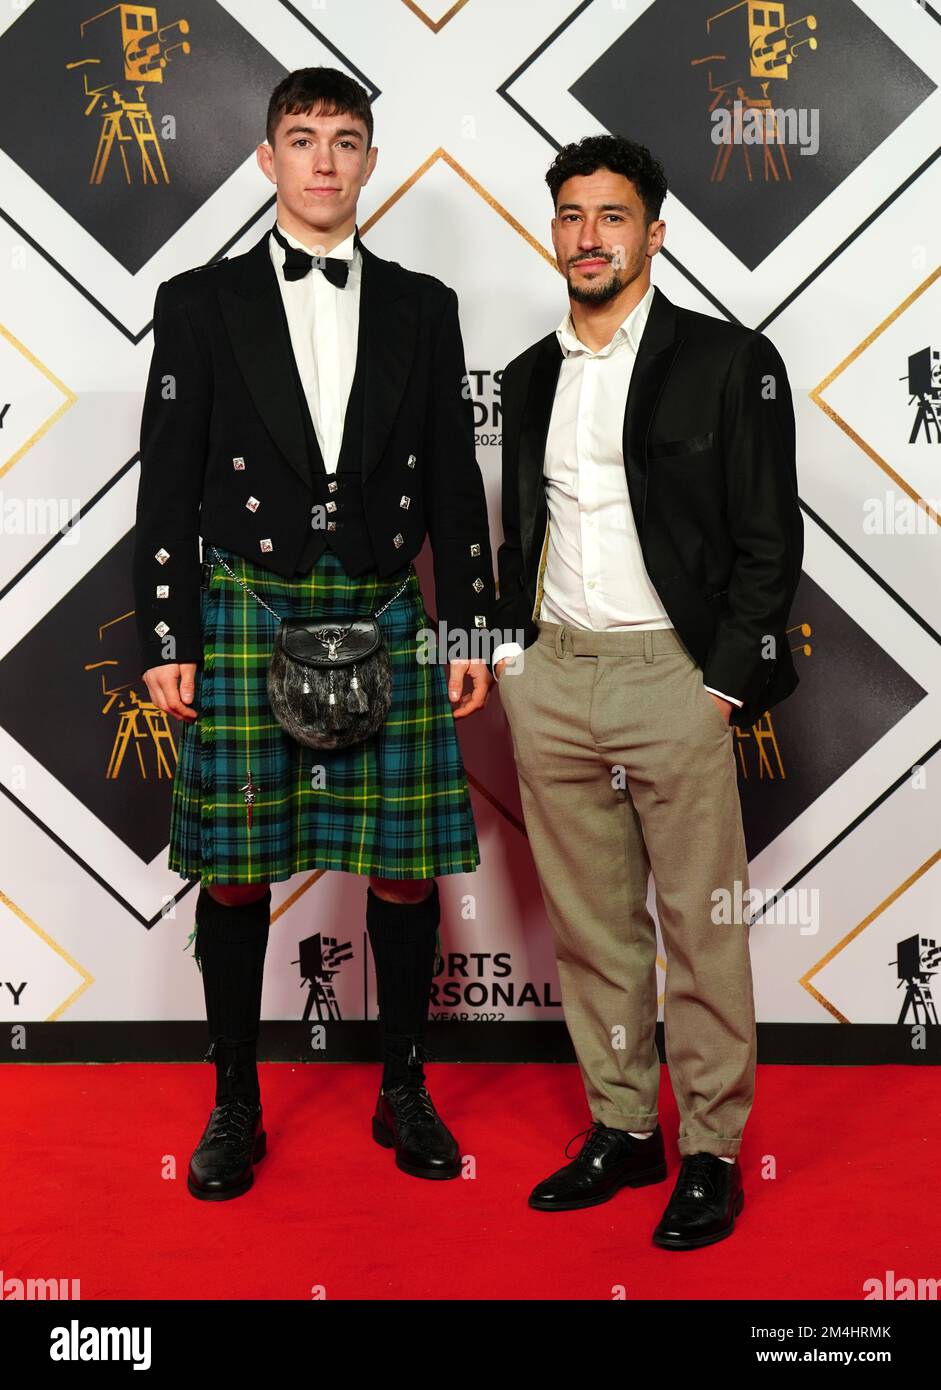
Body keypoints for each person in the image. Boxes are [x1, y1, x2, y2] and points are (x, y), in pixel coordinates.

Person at [133, 67, 495, 1200]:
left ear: (370, 160)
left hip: (389, 607)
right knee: (235, 874)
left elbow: (454, 485)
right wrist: (165, 632)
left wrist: (470, 631)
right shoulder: (199, 300)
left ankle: (401, 1083)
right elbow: (168, 486)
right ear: (266, 161)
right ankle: (235, 1098)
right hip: (246, 603)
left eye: (345, 139)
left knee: (400, 865)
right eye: (301, 139)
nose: (324, 160)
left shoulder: (422, 306)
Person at [490, 134, 802, 1249]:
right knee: (590, 929)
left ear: (652, 233)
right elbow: (514, 533)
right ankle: (624, 1129)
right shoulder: (527, 379)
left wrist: (718, 688)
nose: (588, 236)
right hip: (555, 676)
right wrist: (516, 661)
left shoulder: (726, 362)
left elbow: (769, 541)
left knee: (700, 927)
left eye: (610, 216)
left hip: (675, 679)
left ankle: (710, 1148)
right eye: (571, 215)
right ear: (554, 233)